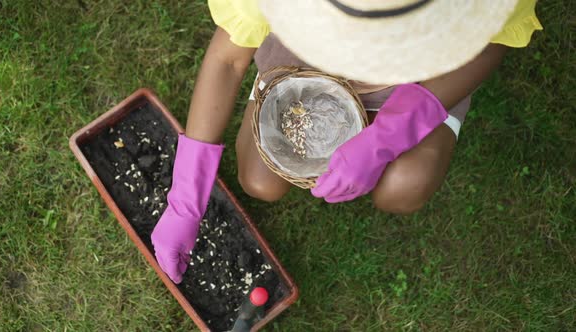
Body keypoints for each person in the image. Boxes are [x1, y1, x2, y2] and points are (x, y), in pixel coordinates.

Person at [151, 0, 542, 283]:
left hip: (420, 77)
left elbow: (493, 41)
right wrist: (186, 198)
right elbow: (227, 59)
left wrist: (389, 135)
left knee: (404, 186)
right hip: (307, 52)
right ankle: (283, 82)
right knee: (261, 179)